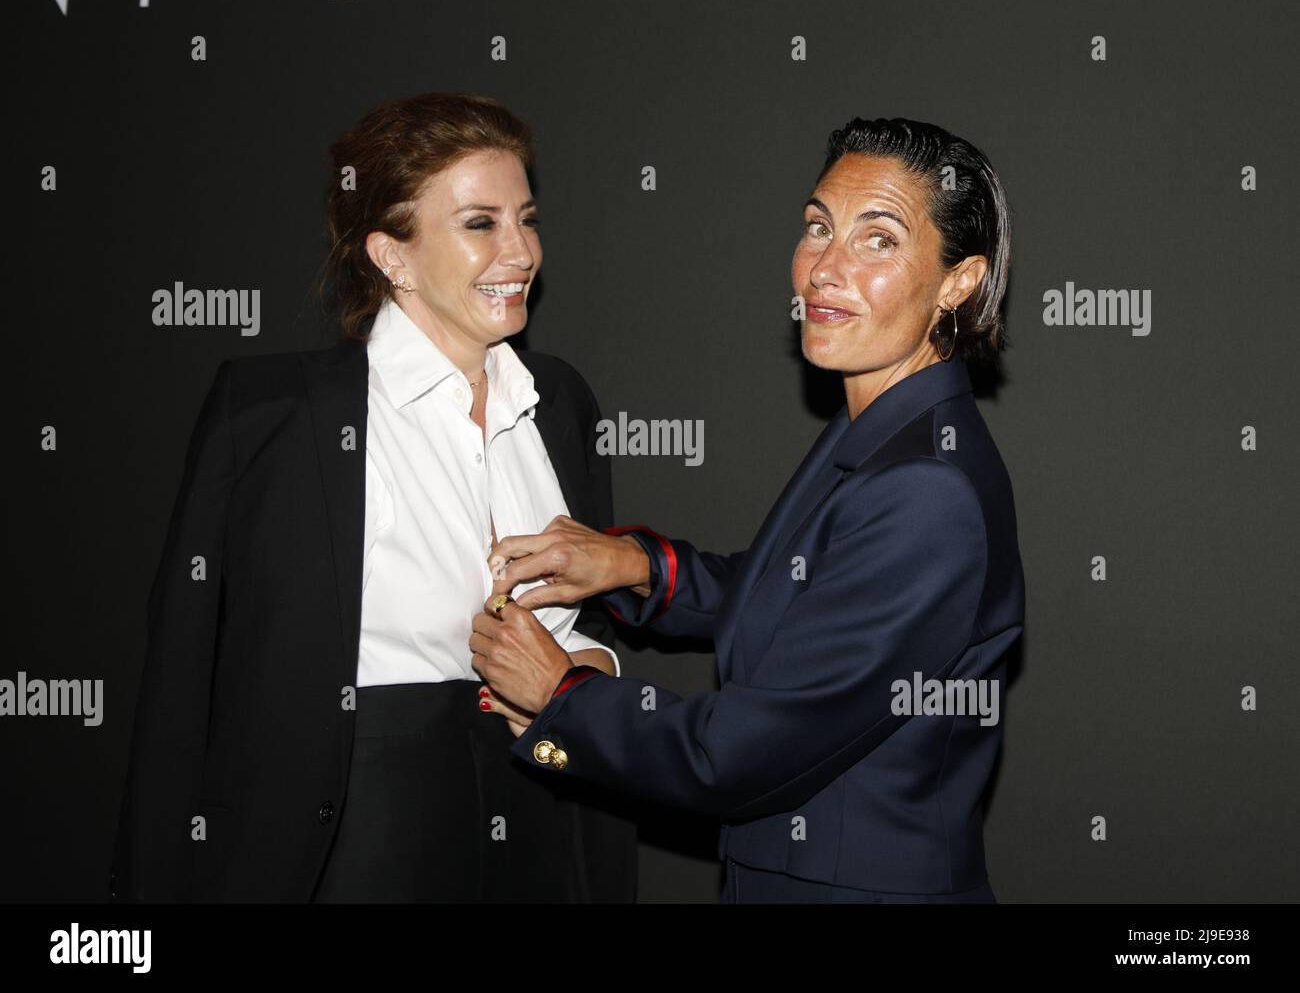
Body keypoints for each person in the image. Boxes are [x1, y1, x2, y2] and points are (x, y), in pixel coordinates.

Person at [472, 117, 1026, 904]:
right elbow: (808, 605)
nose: (825, 270)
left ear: (959, 282)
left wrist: (563, 695)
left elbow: (736, 757)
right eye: (817, 228)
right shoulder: (884, 428)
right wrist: (634, 567)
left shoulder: (927, 488)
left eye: (879, 241)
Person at [109, 92, 636, 903]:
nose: (521, 250)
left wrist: (583, 670)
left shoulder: (561, 403)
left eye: (526, 218)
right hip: (355, 846)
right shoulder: (274, 415)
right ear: (391, 254)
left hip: (543, 821)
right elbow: (185, 677)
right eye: (480, 223)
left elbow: (592, 622)